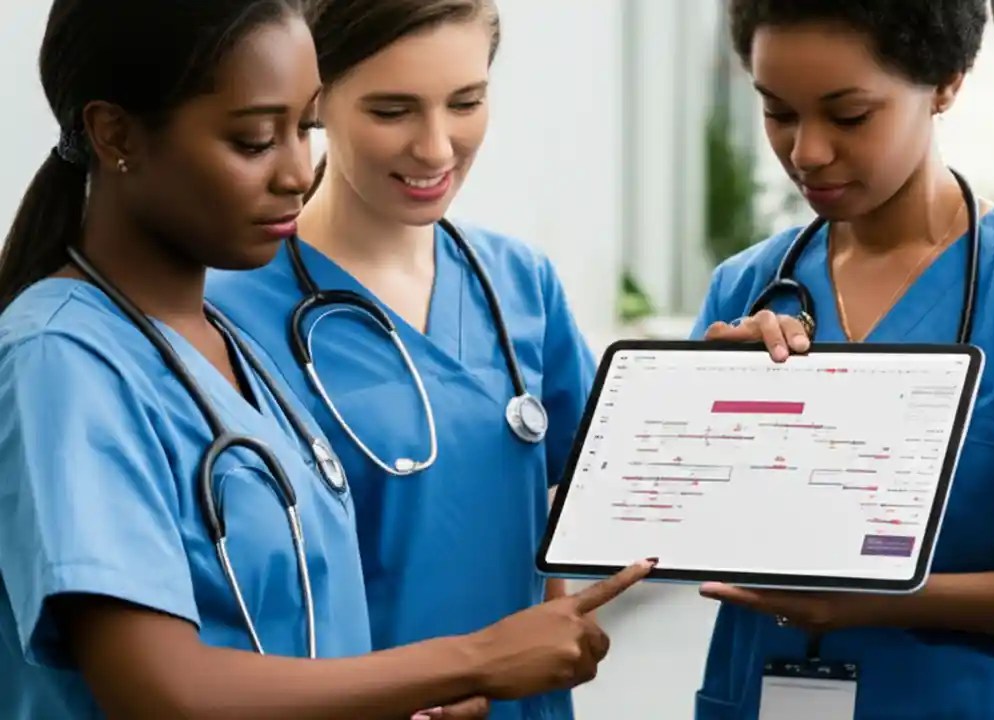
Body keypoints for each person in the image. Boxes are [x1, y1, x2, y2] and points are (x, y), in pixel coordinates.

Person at [0, 2, 650, 718]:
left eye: (302, 128)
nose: (296, 172)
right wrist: (471, 663)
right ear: (114, 134)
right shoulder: (60, 357)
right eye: (253, 140)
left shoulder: (223, 347)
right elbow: (161, 689)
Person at [688, 1, 994, 718]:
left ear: (946, 84)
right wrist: (709, 420)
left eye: (849, 116)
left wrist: (886, 597)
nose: (806, 151)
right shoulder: (746, 287)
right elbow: (669, 535)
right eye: (779, 112)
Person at [205, 2, 599, 718]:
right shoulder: (222, 313)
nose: (437, 148)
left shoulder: (519, 284)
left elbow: (600, 495)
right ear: (313, 103)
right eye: (392, 111)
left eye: (467, 103)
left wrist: (746, 380)